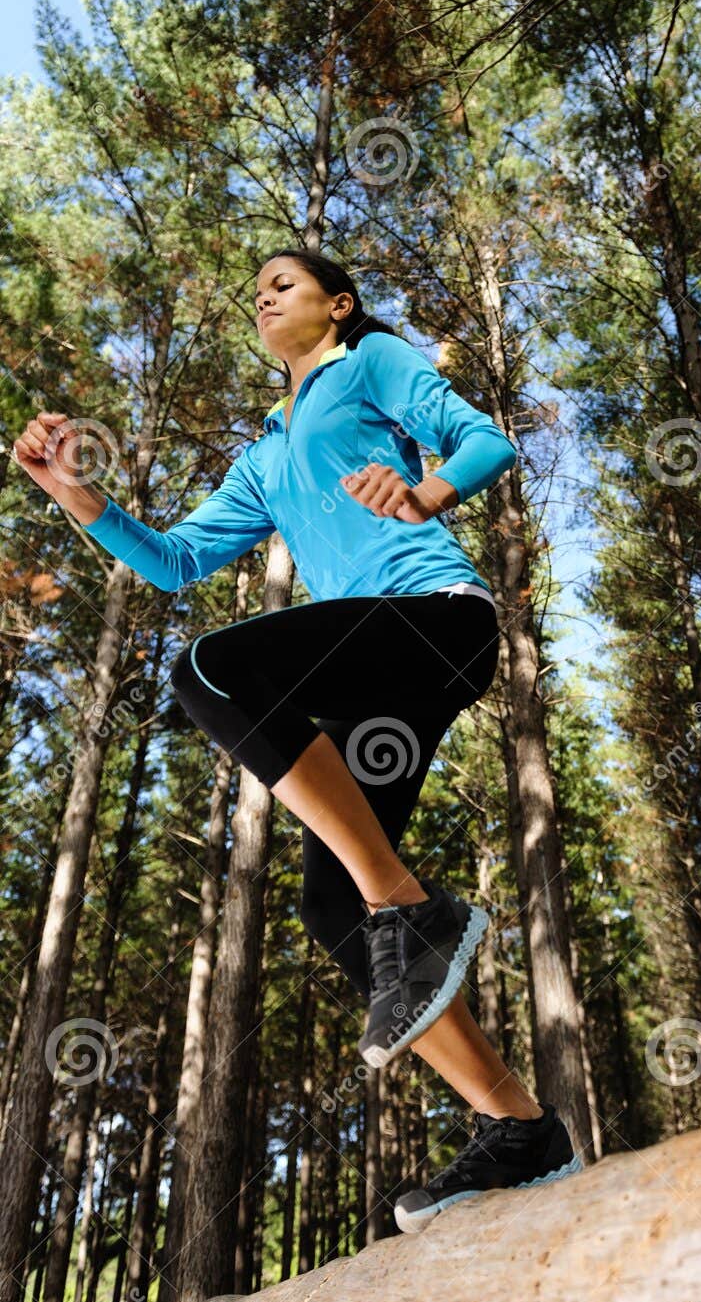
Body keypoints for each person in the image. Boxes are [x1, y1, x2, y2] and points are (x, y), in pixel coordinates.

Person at [12, 248, 582, 1234]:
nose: (265, 292)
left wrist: (429, 493)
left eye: (286, 281)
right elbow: (178, 560)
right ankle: (521, 1127)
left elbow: (482, 438)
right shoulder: (267, 455)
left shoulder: (368, 362)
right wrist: (73, 493)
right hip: (381, 676)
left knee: (212, 670)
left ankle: (414, 904)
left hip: (436, 620)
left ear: (339, 304)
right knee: (331, 903)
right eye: (257, 287)